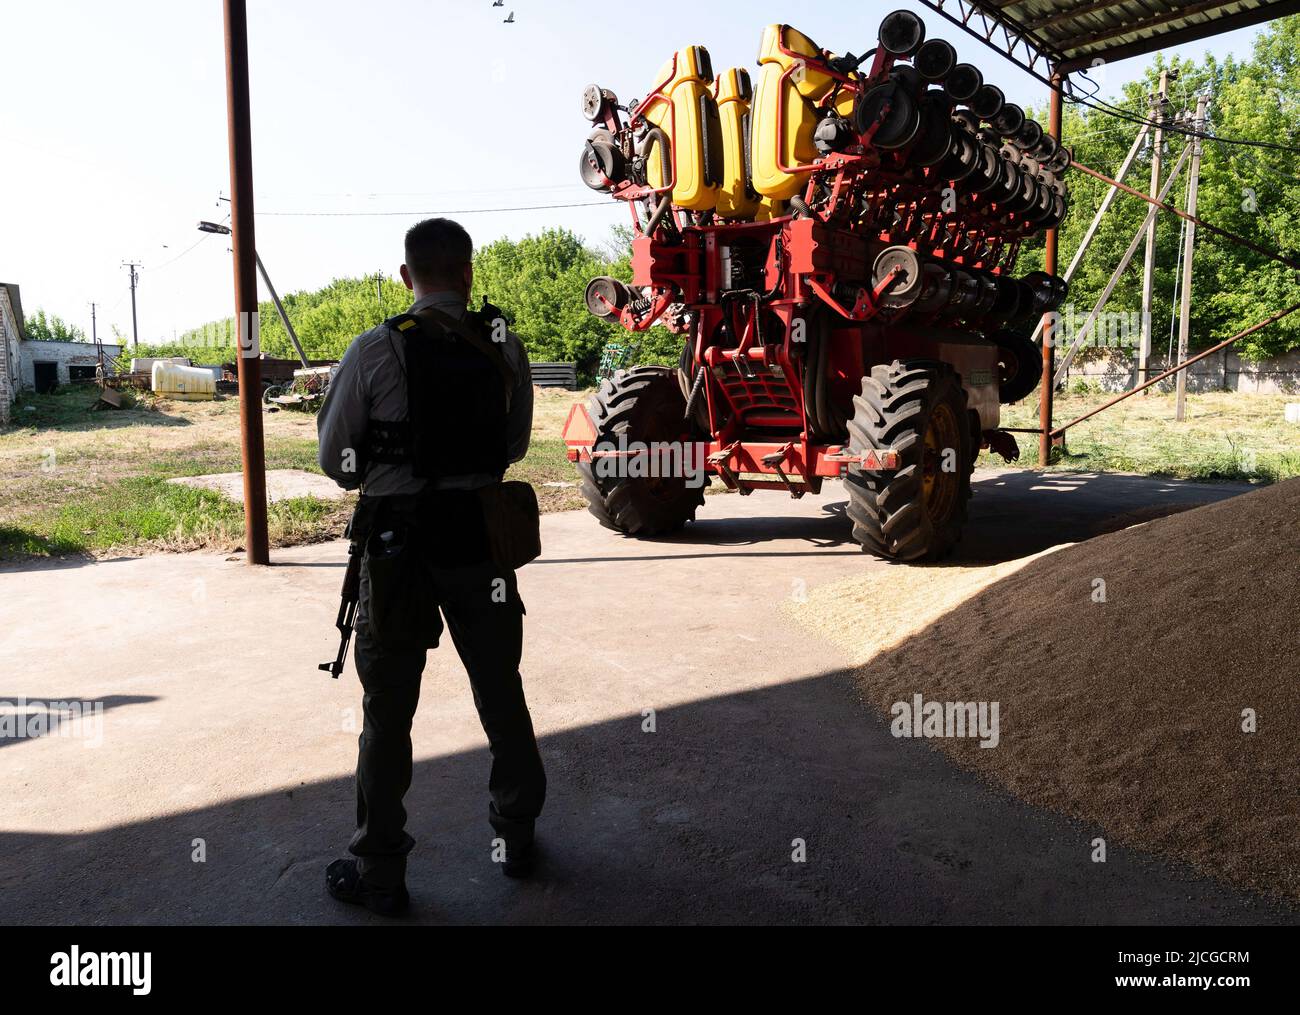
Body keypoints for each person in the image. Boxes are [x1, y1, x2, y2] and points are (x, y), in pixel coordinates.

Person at [316, 217, 545, 917]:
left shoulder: (376, 347)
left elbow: (336, 462)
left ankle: (381, 872)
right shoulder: (504, 348)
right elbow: (513, 444)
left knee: (387, 712)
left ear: (406, 277)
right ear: (469, 273)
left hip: (396, 550)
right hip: (480, 540)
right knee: (500, 688)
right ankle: (516, 837)